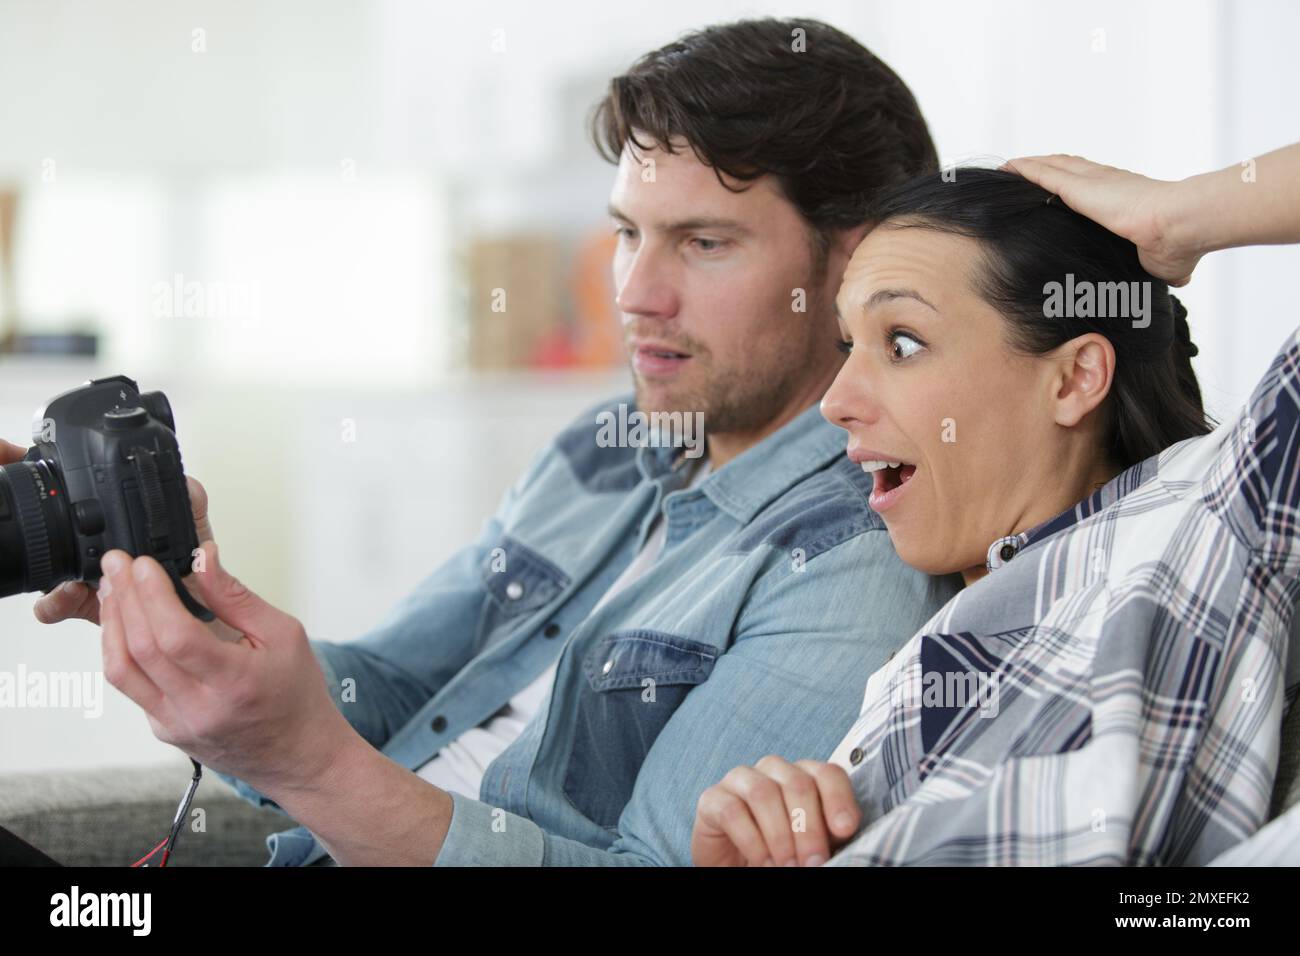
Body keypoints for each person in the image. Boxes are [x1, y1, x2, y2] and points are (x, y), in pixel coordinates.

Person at [0, 18, 958, 867]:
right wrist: (199, 620)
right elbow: (387, 688)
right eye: (629, 232)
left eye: (703, 243)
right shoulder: (607, 450)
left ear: (858, 263)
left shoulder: (857, 555)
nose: (633, 293)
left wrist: (304, 760)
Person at [690, 143, 1300, 866]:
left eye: (904, 342)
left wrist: (1177, 217)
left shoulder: (1202, 512)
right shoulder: (920, 649)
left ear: (1074, 380)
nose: (836, 402)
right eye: (848, 345)